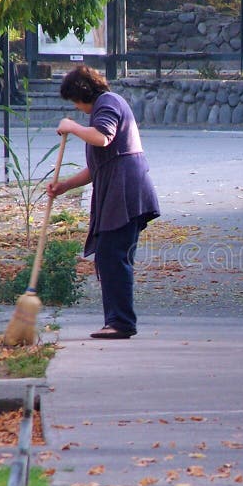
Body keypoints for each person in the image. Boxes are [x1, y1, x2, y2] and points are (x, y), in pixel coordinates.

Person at [47, 65, 160, 339]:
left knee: (112, 254)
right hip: (118, 186)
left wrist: (72, 127)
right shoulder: (105, 106)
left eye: (75, 101)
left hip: (125, 190)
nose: (76, 107)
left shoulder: (107, 103)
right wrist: (64, 187)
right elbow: (97, 167)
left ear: (83, 93)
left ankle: (121, 323)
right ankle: (118, 320)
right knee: (111, 255)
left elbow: (104, 138)